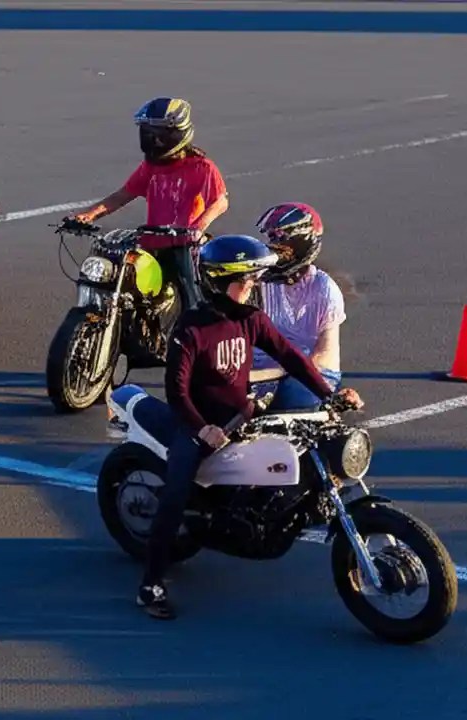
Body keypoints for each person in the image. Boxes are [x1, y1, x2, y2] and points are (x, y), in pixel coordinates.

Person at [137, 234, 363, 620]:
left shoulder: (251, 320)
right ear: (223, 281)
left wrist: (328, 394)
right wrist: (201, 428)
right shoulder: (192, 329)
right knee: (174, 496)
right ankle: (151, 584)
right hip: (196, 424)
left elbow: (291, 357)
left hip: (240, 416)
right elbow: (175, 391)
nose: (255, 286)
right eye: (248, 280)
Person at [69, 96, 229, 312]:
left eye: (159, 136)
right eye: (149, 135)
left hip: (184, 246)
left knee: (192, 303)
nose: (154, 141)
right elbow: (123, 195)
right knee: (124, 289)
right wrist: (88, 215)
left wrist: (198, 229)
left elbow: (220, 202)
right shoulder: (150, 167)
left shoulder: (202, 167)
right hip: (151, 243)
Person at [248, 202, 346, 410]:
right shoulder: (259, 282)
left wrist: (264, 376)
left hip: (309, 376)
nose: (272, 245)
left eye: (280, 239)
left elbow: (324, 358)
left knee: (285, 404)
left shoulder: (324, 288)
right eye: (271, 238)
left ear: (301, 243)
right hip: (260, 376)